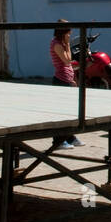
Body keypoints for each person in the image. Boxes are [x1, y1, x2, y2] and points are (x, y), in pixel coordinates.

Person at [49, 21, 81, 149]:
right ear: (63, 32)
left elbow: (69, 63)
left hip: (67, 78)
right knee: (61, 112)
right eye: (69, 32)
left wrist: (72, 79)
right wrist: (68, 44)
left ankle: (70, 137)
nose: (70, 34)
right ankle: (58, 141)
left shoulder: (61, 43)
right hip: (60, 80)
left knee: (69, 111)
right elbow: (67, 60)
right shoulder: (56, 44)